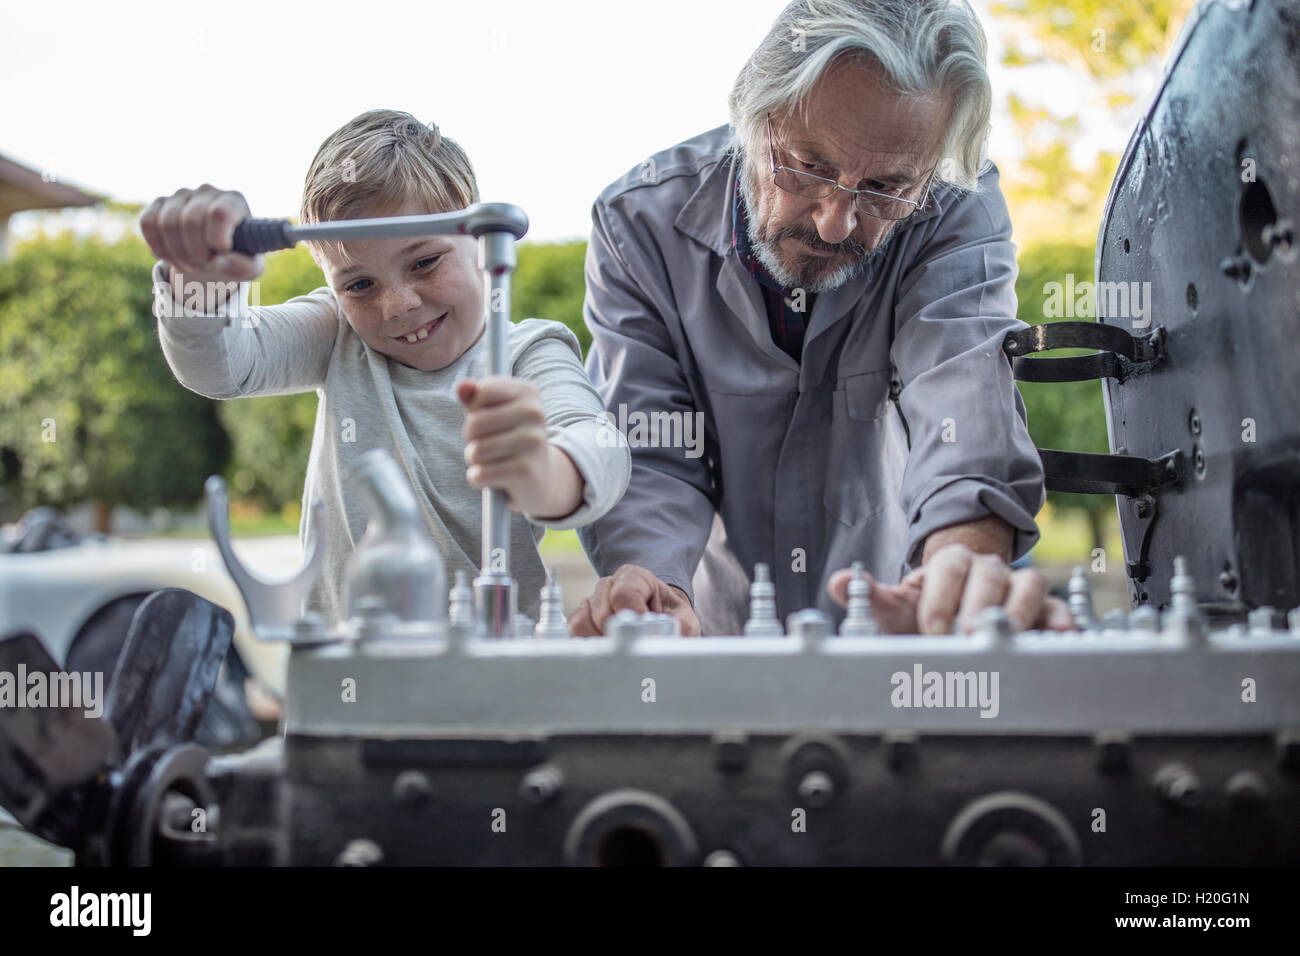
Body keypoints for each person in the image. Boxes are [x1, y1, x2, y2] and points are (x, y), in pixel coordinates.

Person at [570, 0, 1071, 637]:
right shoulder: (638, 225)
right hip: (713, 637)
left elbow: (961, 385)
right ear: (754, 120)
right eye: (809, 167)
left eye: (886, 187)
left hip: (897, 632)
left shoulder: (952, 210)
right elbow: (654, 447)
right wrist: (652, 585)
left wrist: (960, 564)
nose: (837, 222)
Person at [141, 109, 630, 627]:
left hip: (489, 680)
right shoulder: (336, 332)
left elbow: (596, 446)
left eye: (424, 263)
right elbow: (221, 366)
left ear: (479, 240)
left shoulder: (529, 352)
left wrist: (541, 474)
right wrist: (196, 284)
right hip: (345, 681)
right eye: (358, 285)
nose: (396, 305)